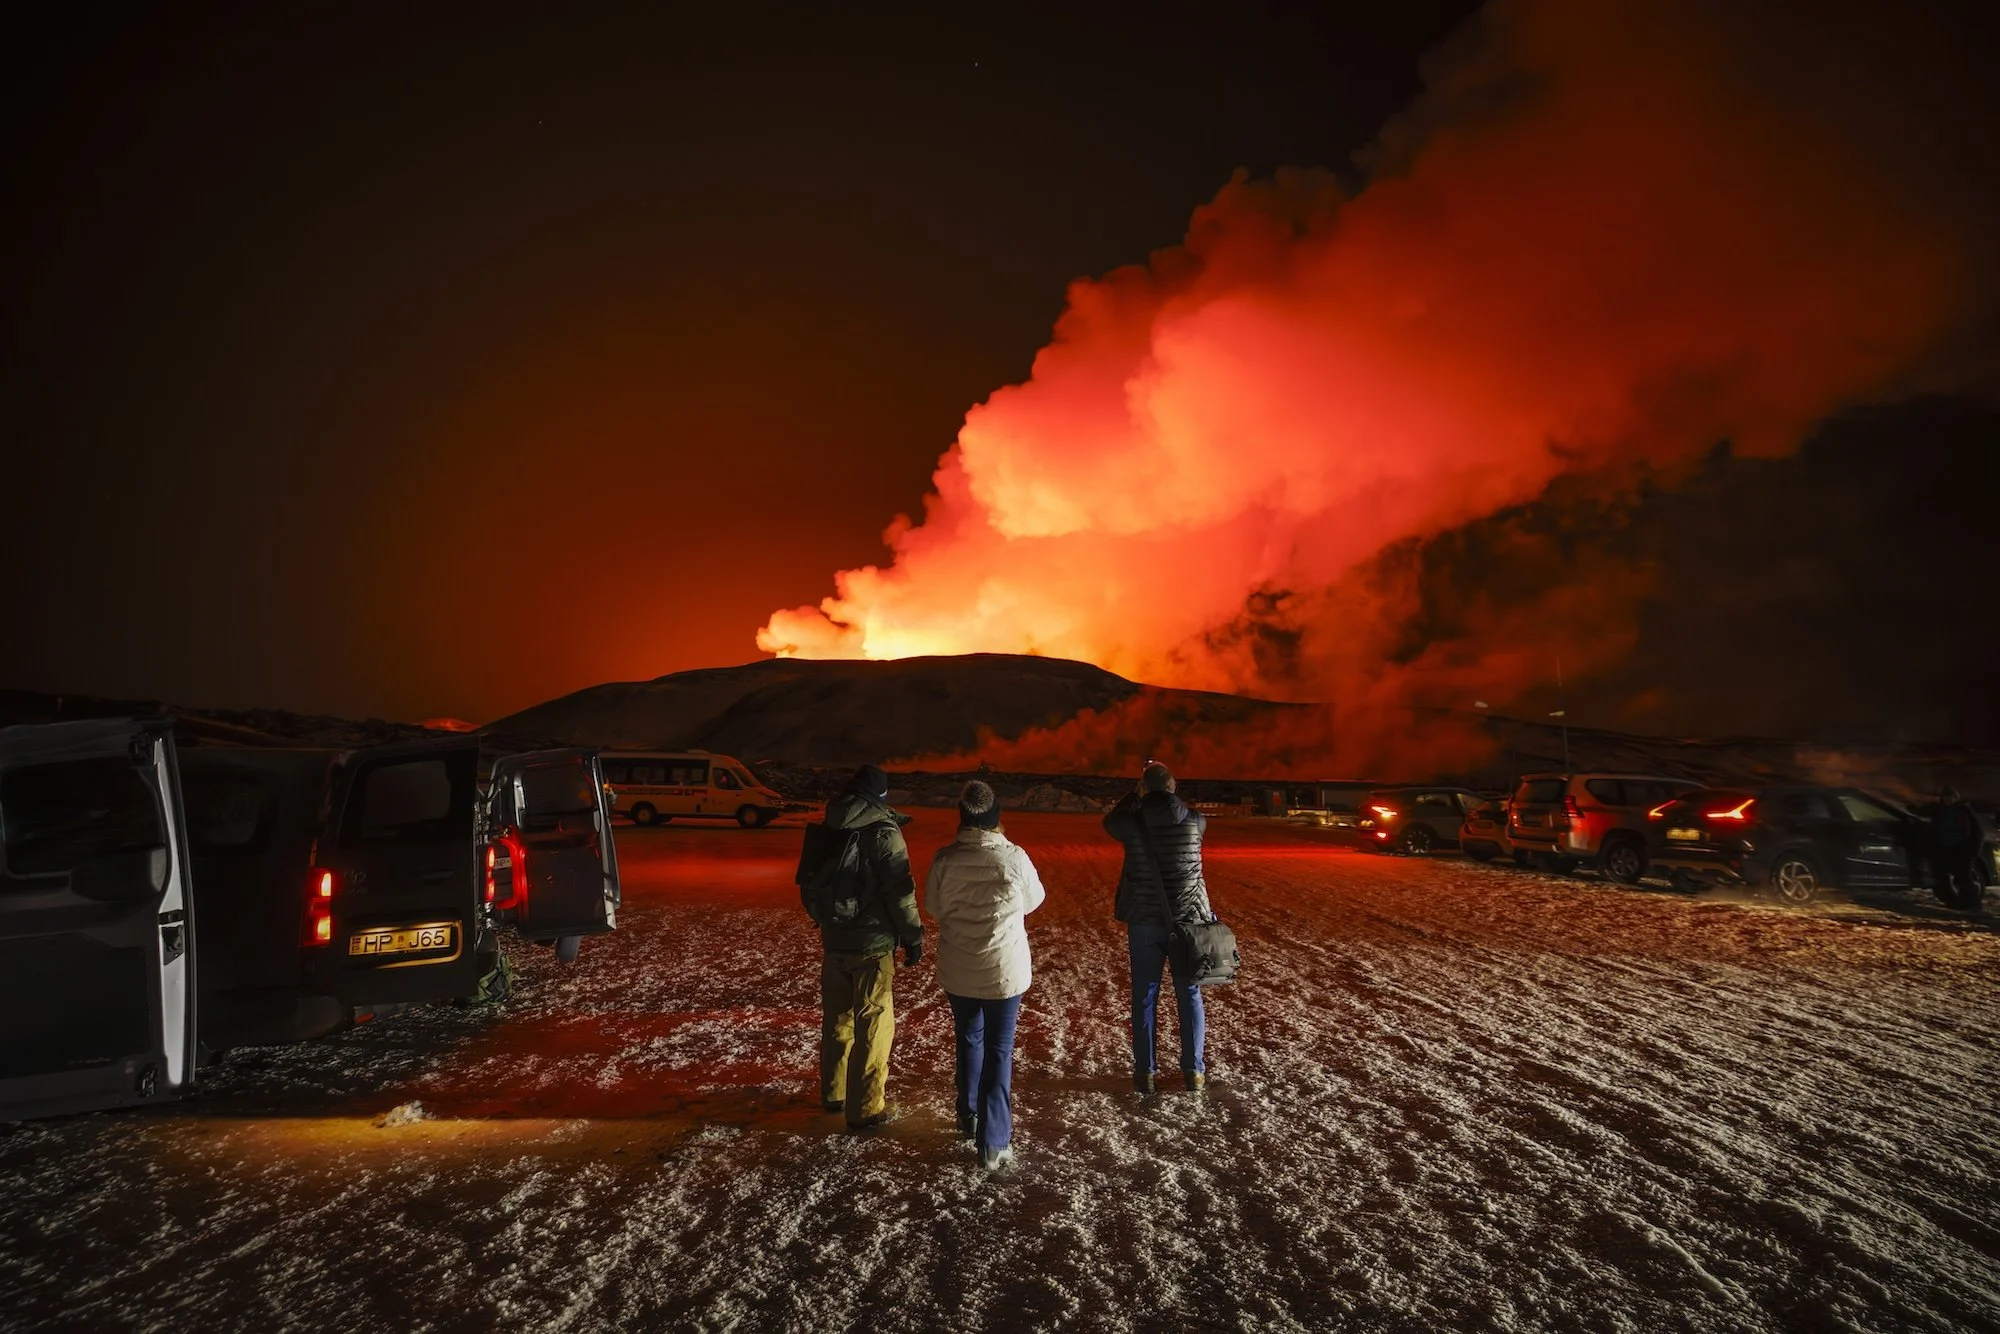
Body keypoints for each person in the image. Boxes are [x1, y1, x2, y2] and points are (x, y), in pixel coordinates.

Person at [926, 781, 1046, 1170]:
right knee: (999, 1048)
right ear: (996, 821)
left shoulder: (945, 860)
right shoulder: (1014, 859)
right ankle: (993, 1140)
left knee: (968, 1038)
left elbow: (934, 906)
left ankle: (968, 1113)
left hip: (960, 969)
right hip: (1003, 970)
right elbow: (1034, 900)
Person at [803, 764, 924, 1129]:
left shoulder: (831, 826)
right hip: (872, 946)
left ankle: (833, 1092)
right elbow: (900, 894)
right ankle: (867, 1108)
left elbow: (810, 882)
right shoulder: (884, 833)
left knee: (837, 1021)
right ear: (881, 796)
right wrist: (913, 936)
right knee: (872, 1026)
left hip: (834, 938)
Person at [1103, 761, 1214, 1095]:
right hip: (1188, 924)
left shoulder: (1133, 823)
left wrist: (1133, 797)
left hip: (1145, 921)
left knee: (1145, 996)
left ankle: (1145, 1073)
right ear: (1173, 786)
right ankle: (1193, 1072)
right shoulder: (1196, 821)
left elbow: (1110, 822)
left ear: (1144, 788)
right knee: (1190, 994)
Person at [1930, 786, 1985, 911]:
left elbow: (1977, 832)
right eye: (1945, 797)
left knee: (1963, 877)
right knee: (1943, 877)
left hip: (1962, 849)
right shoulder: (1940, 811)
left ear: (1955, 798)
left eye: (1950, 797)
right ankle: (1954, 902)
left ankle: (1972, 904)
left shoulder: (1964, 811)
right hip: (1945, 848)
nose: (1948, 800)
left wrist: (1972, 850)